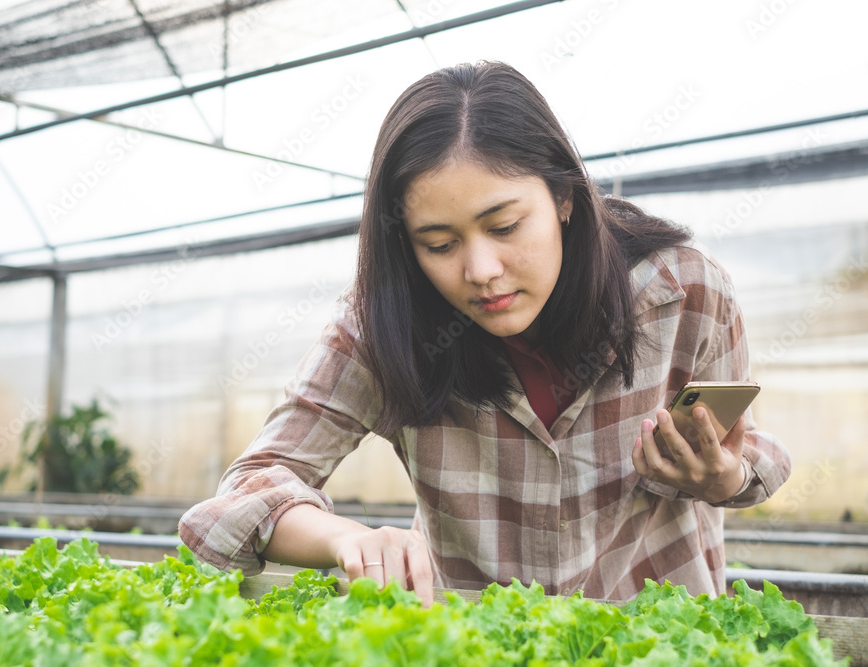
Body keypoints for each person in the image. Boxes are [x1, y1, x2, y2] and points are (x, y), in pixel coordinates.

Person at [179, 61, 791, 607]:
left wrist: (724, 478)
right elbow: (238, 501)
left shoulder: (683, 291)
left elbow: (749, 447)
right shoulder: (381, 326)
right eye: (438, 244)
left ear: (563, 198)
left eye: (504, 226)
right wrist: (349, 539)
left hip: (655, 643)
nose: (480, 272)